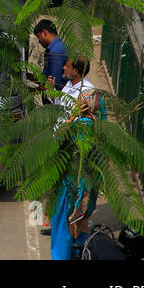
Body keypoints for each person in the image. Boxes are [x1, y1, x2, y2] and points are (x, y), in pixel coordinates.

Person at [50, 54, 100, 259]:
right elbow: (62, 109)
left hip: (74, 168)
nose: (63, 68)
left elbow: (74, 125)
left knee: (68, 214)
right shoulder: (69, 87)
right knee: (63, 215)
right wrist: (52, 91)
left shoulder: (87, 92)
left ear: (76, 71)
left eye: (67, 66)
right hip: (63, 160)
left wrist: (68, 124)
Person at [33, 18, 68, 99]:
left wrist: (33, 90)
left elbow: (55, 83)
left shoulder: (55, 51)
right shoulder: (59, 47)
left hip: (56, 101)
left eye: (39, 37)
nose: (39, 41)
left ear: (44, 33)